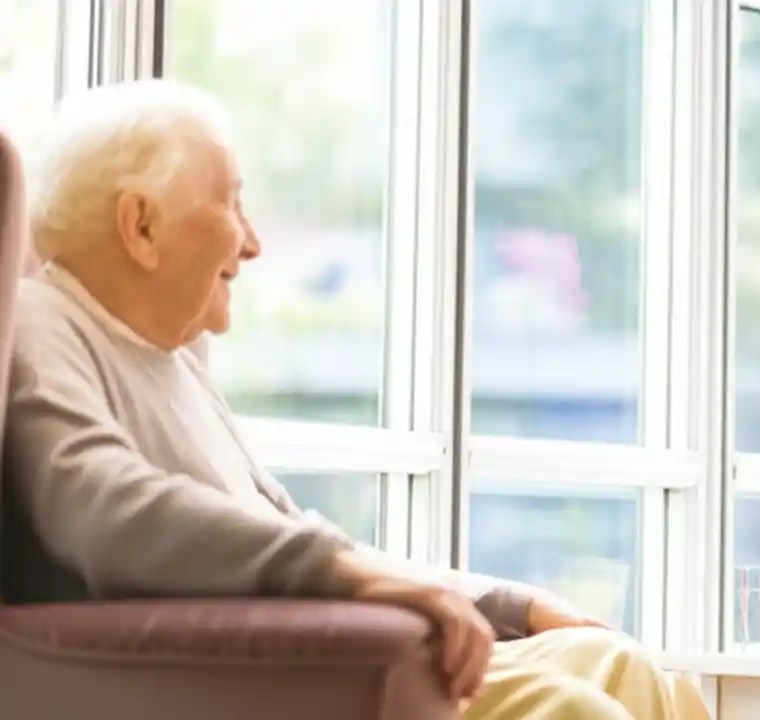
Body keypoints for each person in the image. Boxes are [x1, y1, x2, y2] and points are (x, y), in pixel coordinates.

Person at [3, 79, 708, 720]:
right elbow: (99, 507)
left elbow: (289, 529)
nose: (251, 243)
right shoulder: (42, 324)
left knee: (626, 666)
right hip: (262, 676)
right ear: (141, 226)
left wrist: (509, 605)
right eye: (230, 201)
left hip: (330, 647)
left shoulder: (174, 363)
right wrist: (346, 576)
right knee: (579, 711)